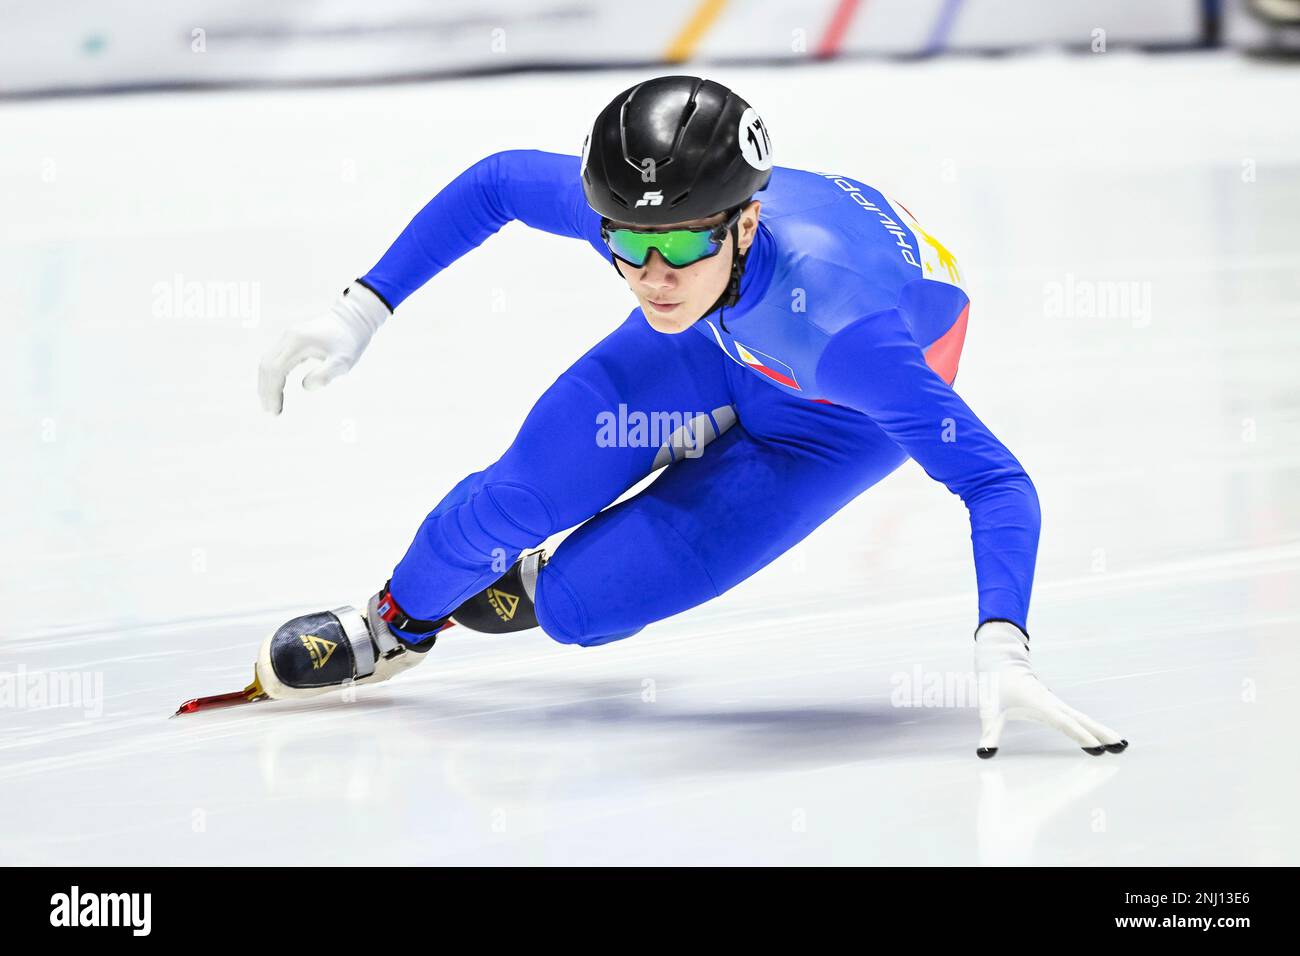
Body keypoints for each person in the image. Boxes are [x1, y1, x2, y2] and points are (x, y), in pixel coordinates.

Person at [255, 76, 1126, 758]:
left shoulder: (846, 332)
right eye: (626, 248)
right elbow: (496, 186)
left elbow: (995, 480)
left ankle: (532, 587)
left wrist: (1003, 638)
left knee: (576, 610)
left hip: (828, 422)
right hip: (721, 343)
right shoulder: (658, 217)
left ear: (747, 222)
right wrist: (361, 310)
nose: (649, 277)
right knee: (512, 503)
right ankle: (395, 625)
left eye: (675, 248)